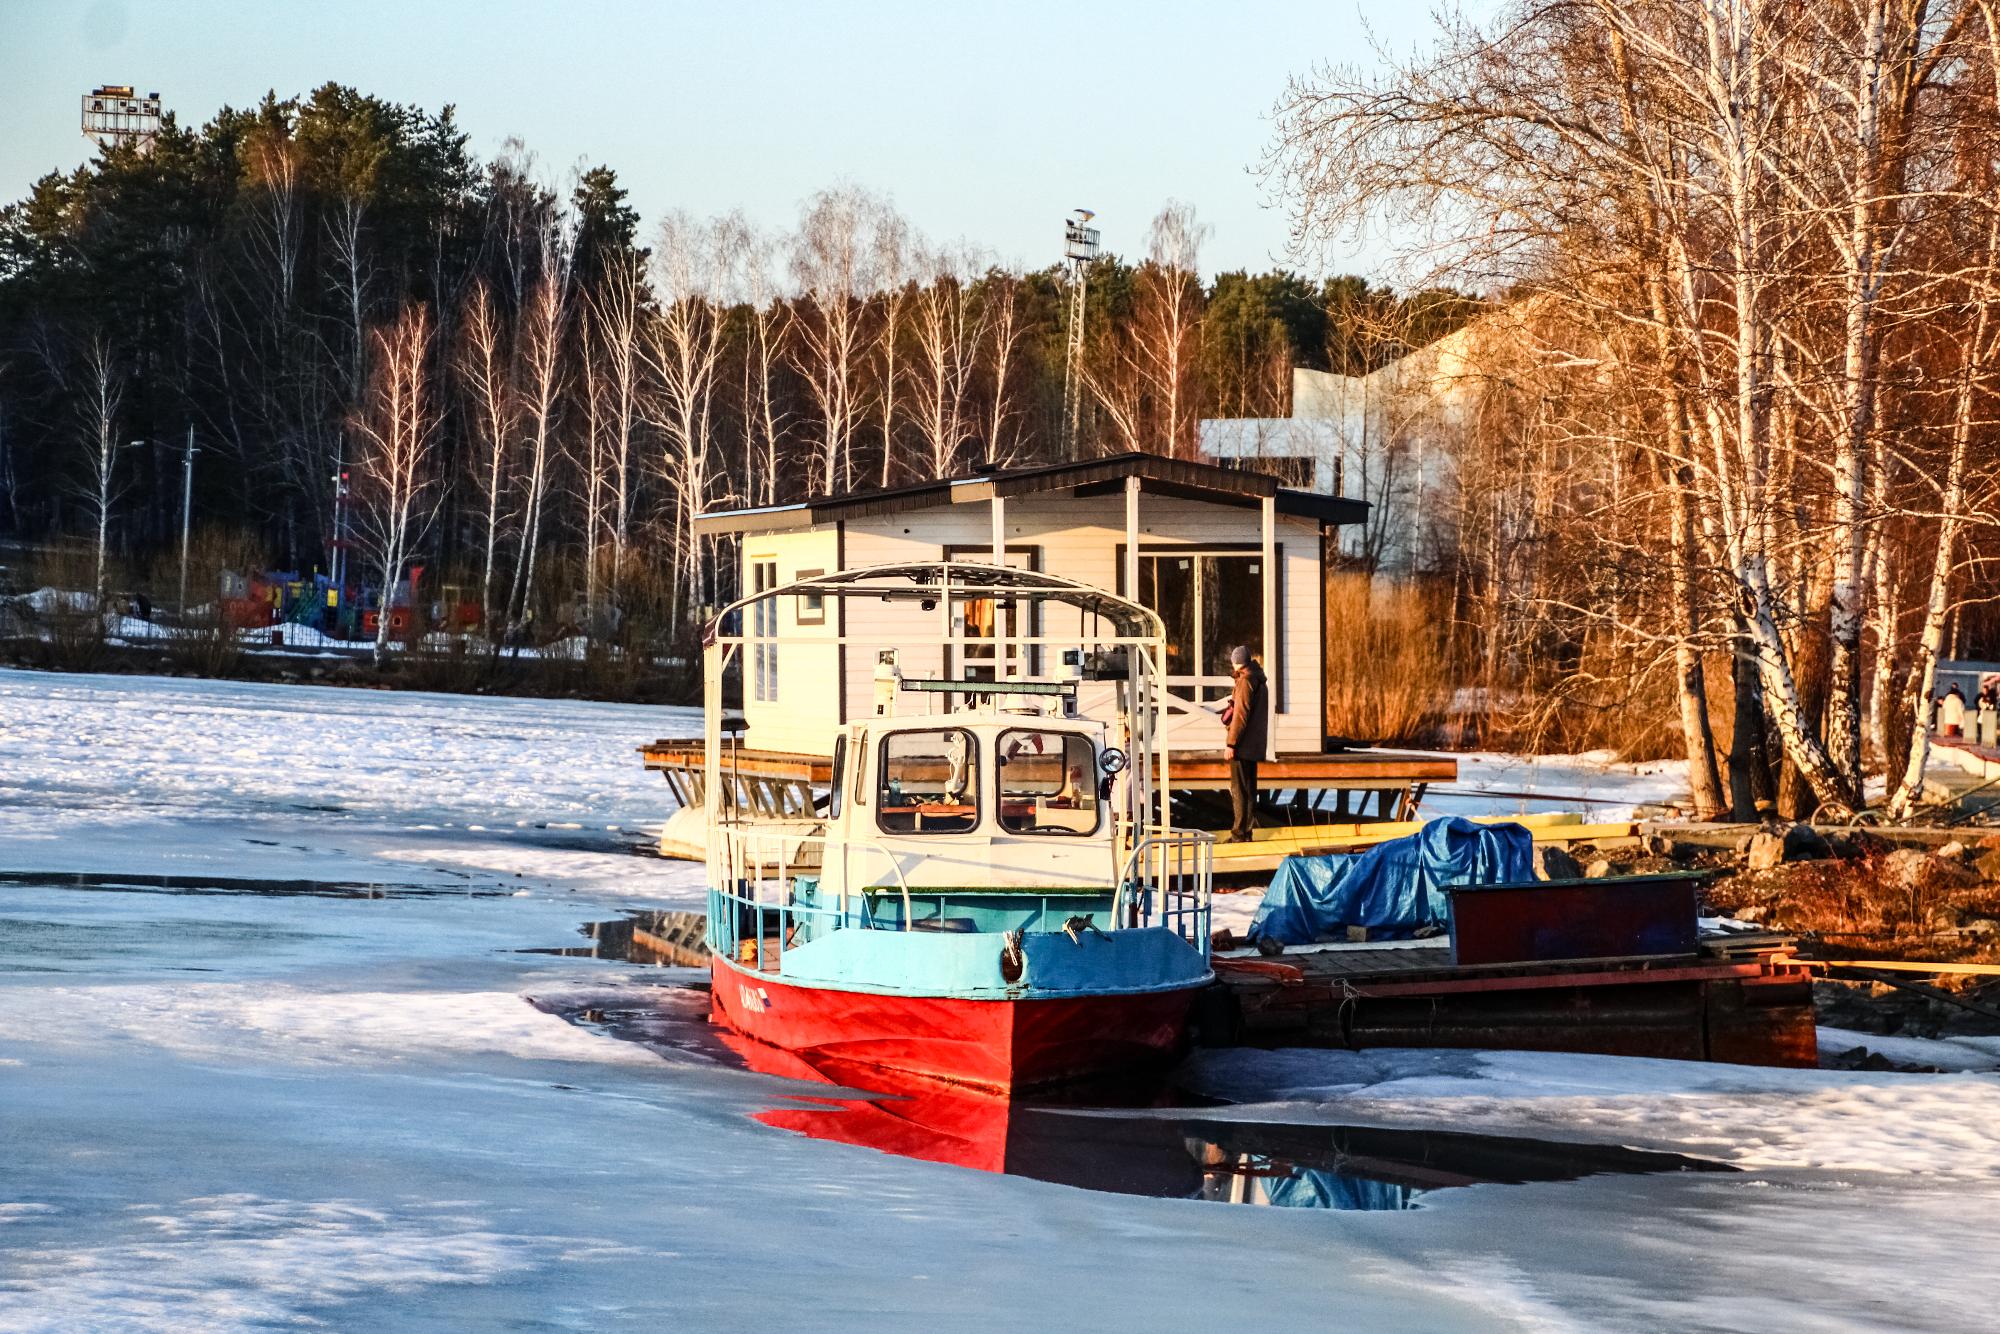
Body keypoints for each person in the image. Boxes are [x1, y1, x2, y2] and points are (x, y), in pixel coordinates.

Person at [1222, 644, 1268, 843]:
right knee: (1250, 790)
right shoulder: (1259, 680)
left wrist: (1231, 744)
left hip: (1242, 746)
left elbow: (1240, 715)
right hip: (1254, 746)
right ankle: (1246, 832)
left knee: (1239, 791)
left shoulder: (1245, 681)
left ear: (1236, 662)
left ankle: (1239, 834)